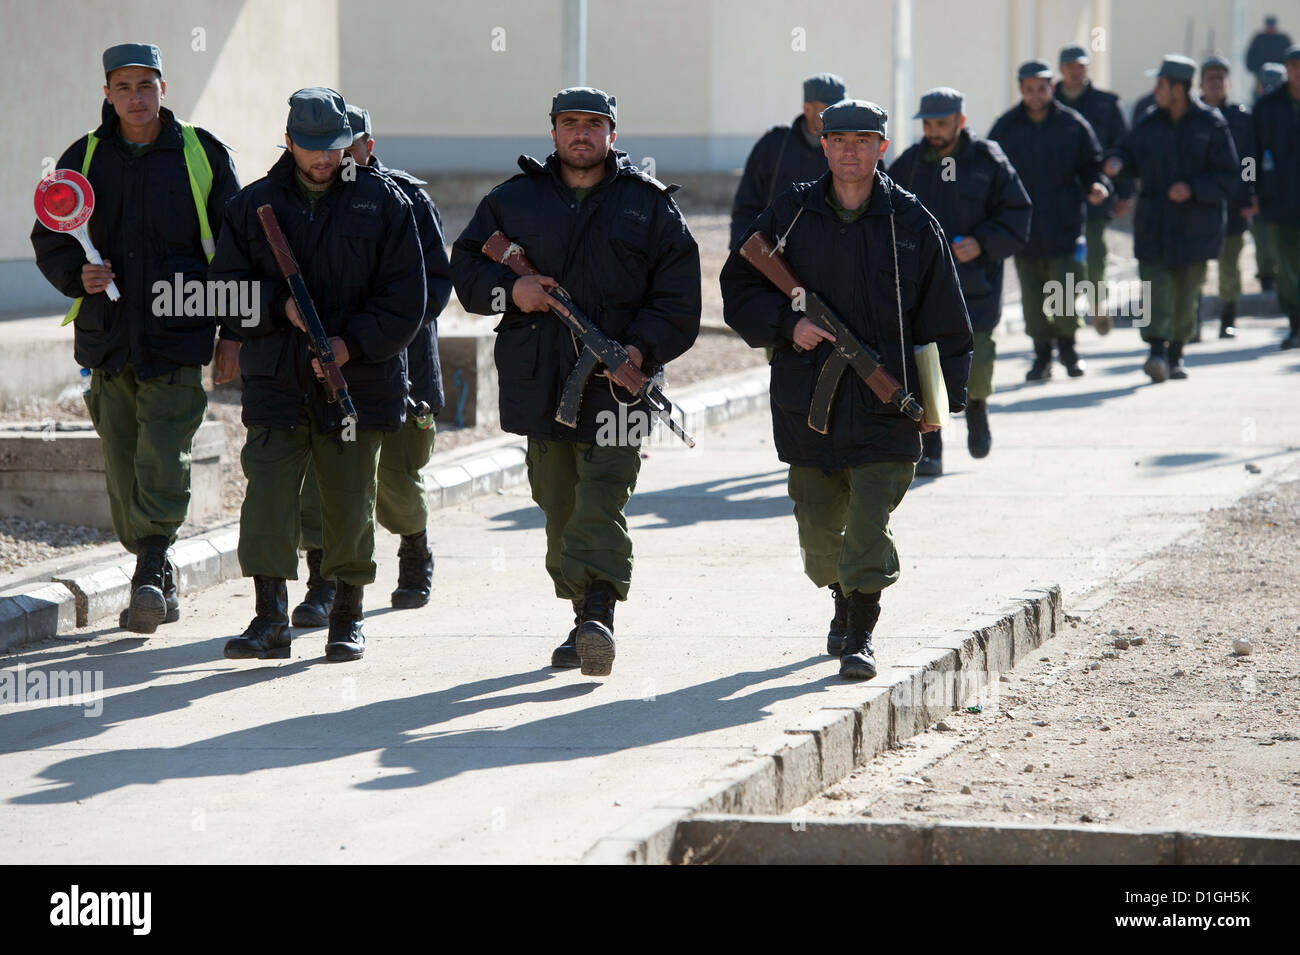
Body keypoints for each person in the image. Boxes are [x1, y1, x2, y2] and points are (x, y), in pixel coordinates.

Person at [450, 87, 701, 677]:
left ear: (613, 133)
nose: (581, 134)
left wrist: (637, 349)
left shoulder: (649, 206)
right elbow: (464, 273)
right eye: (570, 123)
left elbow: (679, 298)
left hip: (619, 387)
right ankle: (581, 612)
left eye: (594, 124)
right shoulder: (512, 202)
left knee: (601, 499)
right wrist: (512, 290)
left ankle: (599, 615)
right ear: (554, 131)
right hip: (540, 383)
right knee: (558, 505)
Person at [720, 99, 972, 680]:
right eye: (840, 140)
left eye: (864, 140)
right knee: (816, 527)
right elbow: (740, 286)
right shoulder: (789, 215)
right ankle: (840, 594)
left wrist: (942, 404)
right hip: (808, 403)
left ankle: (860, 628)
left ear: (882, 147)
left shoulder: (911, 223)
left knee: (867, 523)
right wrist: (789, 325)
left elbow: (947, 324)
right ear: (823, 144)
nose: (851, 150)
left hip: (889, 407)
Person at [30, 42, 239, 634]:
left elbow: (236, 247)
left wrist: (234, 334)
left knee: (164, 450)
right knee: (121, 458)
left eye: (146, 86)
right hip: (108, 338)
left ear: (164, 89)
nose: (136, 98)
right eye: (123, 87)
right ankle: (155, 568)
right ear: (106, 93)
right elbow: (51, 236)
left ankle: (150, 567)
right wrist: (80, 275)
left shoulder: (201, 154)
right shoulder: (84, 156)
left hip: (181, 330)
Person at [213, 88, 425, 662]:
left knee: (351, 502)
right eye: (310, 148)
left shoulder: (385, 204)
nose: (324, 160)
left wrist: (348, 344)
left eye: (333, 147)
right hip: (277, 381)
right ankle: (269, 618)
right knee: (268, 501)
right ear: (288, 142)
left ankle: (347, 617)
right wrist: (276, 308)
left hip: (360, 382)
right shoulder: (251, 206)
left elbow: (407, 300)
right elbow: (224, 292)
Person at [292, 104, 453, 627]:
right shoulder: (306, 201)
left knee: (396, 480)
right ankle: (324, 580)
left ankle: (414, 549)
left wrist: (373, 331)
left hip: (400, 365)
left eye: (351, 143)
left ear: (368, 146)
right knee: (324, 480)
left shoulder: (406, 199)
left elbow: (431, 291)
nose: (339, 156)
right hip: (327, 368)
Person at [889, 87, 1031, 473]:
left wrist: (982, 243)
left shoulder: (988, 162)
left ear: (961, 122)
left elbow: (1018, 216)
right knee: (925, 362)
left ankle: (977, 411)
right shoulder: (910, 164)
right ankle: (932, 446)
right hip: (922, 286)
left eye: (942, 124)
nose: (933, 131)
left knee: (976, 360)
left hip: (975, 285)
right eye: (928, 124)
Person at [1105, 56, 1239, 380]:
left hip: (1196, 227)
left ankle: (1176, 353)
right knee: (1154, 288)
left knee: (1185, 293)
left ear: (1178, 89)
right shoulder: (1148, 122)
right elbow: (1128, 153)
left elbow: (1229, 176)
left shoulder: (1211, 124)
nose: (1156, 90)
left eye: (1161, 84)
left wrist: (1193, 188)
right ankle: (1155, 351)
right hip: (1154, 223)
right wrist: (1117, 164)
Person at [989, 60, 1110, 381]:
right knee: (1032, 298)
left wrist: (1098, 186)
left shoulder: (1072, 125)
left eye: (1041, 88)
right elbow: (989, 172)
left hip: (1064, 226)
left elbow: (1092, 165)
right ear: (1021, 91)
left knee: (1065, 293)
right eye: (1028, 89)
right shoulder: (1006, 127)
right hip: (1023, 230)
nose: (1035, 95)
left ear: (1051, 88)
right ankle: (1042, 356)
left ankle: (1069, 350)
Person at [1054, 43, 1132, 331]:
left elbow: (1123, 150)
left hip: (1095, 191)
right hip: (1057, 196)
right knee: (1063, 255)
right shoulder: (1048, 103)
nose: (1076, 72)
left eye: (1081, 66)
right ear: (1061, 69)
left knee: (1095, 250)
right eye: (1070, 67)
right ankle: (1066, 315)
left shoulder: (1106, 104)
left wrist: (1123, 192)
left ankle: (1097, 302)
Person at [730, 73, 845, 249]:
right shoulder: (774, 146)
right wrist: (744, 254)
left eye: (840, 109)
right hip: (777, 256)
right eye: (829, 109)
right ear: (807, 109)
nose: (836, 116)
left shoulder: (855, 151)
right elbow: (746, 208)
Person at [1197, 55, 1256, 338]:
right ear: (1201, 83)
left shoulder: (1240, 118)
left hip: (1233, 201)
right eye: (1211, 78)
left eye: (1221, 78)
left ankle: (1227, 319)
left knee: (1230, 264)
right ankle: (1191, 321)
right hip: (1199, 201)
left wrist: (1249, 193)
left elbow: (1248, 161)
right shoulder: (1192, 116)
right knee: (1194, 264)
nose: (1216, 83)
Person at [1253, 46, 1300, 349]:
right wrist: (1249, 190)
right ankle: (1295, 325)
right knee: (1287, 267)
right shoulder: (1267, 107)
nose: (1298, 71)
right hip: (1280, 200)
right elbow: (1248, 155)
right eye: (1294, 65)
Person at [1247, 15, 1293, 97]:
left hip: (1282, 75)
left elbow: (1290, 57)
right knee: (1259, 97)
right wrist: (1257, 71)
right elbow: (1250, 58)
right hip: (1261, 76)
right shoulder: (1259, 39)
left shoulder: (1283, 39)